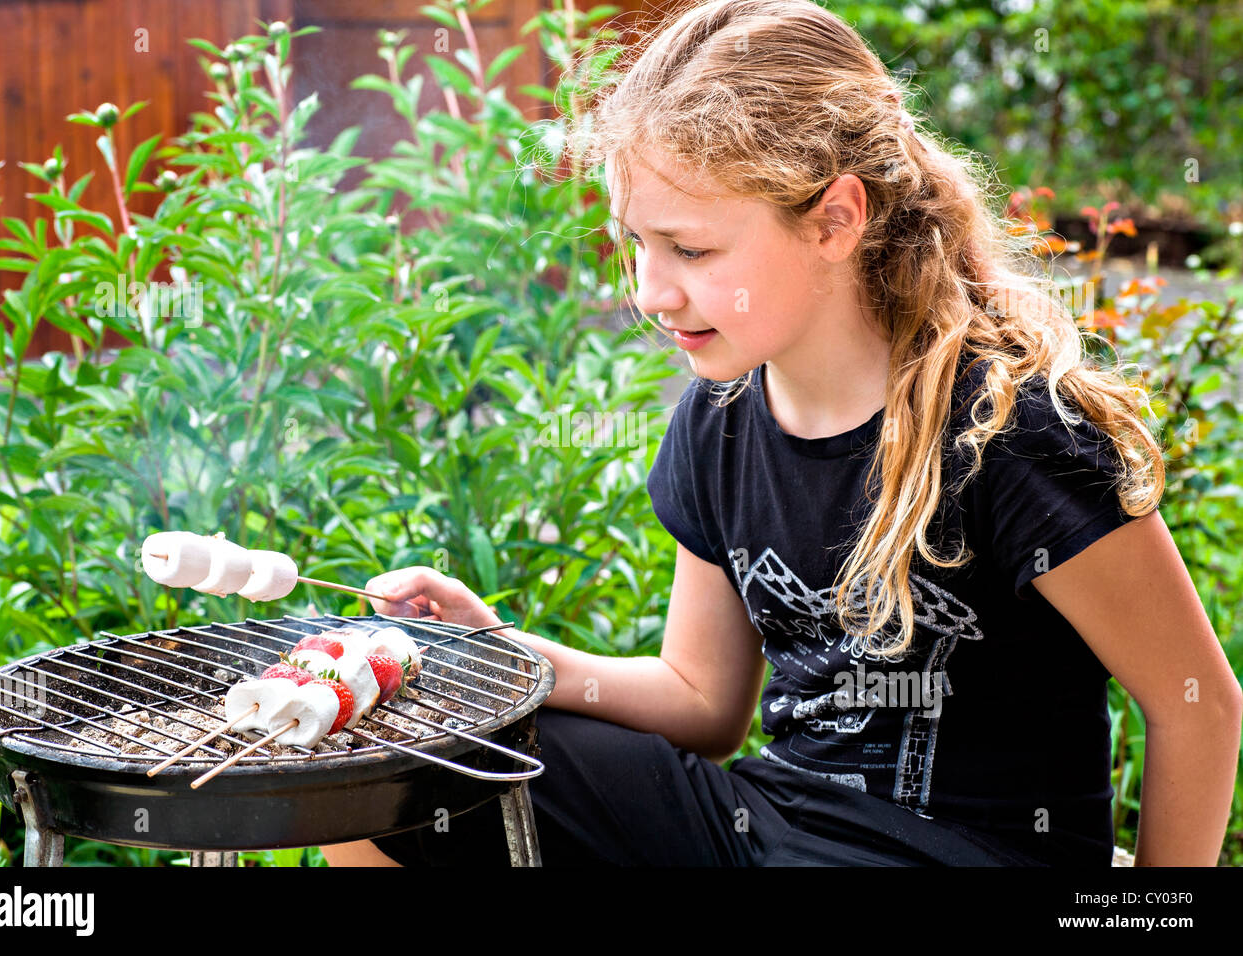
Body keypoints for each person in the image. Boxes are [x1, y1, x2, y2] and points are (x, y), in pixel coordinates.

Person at [320, 0, 1241, 867]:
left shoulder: (1008, 426)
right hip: (772, 828)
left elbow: (1196, 705)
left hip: (962, 853)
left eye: (692, 249)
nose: (651, 291)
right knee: (391, 774)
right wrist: (505, 653)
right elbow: (703, 702)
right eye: (636, 243)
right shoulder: (719, 422)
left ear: (835, 220)